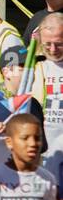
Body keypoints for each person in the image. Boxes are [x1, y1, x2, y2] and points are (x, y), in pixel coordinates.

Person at [28, 12, 63, 150]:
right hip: (43, 147)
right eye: (48, 44)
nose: (53, 50)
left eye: (59, 44)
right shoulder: (32, 67)